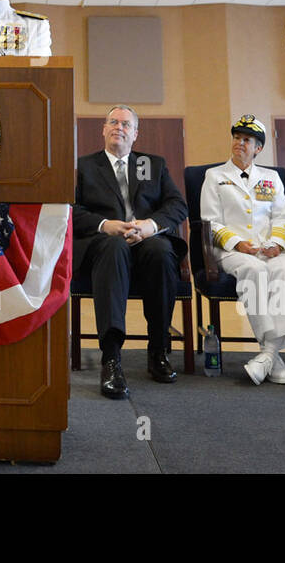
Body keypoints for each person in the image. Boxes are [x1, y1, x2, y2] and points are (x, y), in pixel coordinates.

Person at [73, 105, 188, 399]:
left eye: (126, 124)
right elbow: (71, 211)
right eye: (113, 122)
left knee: (162, 252)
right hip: (104, 245)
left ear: (135, 133)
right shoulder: (85, 166)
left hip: (146, 241)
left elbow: (177, 206)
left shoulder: (152, 164)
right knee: (113, 248)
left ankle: (158, 350)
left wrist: (150, 226)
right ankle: (111, 358)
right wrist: (104, 224)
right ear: (103, 129)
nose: (119, 127)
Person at [200, 115, 285, 385]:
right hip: (232, 250)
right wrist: (238, 243)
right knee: (255, 270)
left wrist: (277, 244)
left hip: (269, 248)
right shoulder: (215, 176)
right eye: (237, 138)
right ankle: (273, 356)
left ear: (258, 148)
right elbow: (209, 221)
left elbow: (283, 217)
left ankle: (268, 355)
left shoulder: (271, 177)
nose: (239, 143)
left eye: (246, 140)